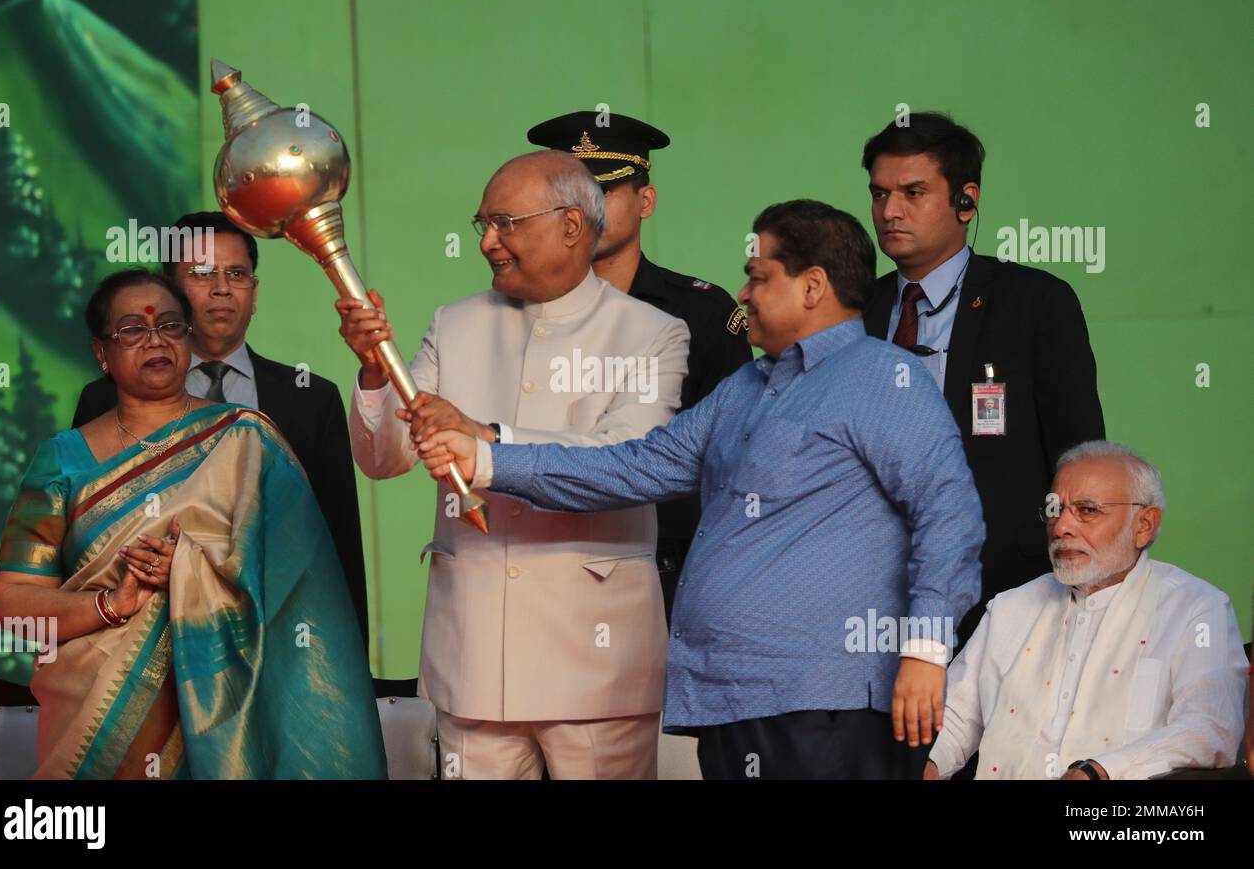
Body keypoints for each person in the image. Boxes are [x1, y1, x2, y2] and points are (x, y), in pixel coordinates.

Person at [417, 199, 983, 779]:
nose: (744, 295)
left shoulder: (882, 377)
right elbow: (635, 467)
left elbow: (950, 517)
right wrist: (488, 458)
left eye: (759, 278)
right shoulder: (745, 387)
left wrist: (925, 650)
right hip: (733, 702)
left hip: (828, 701)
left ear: (813, 287)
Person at [336, 151, 689, 779]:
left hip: (595, 662)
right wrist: (372, 370)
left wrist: (487, 442)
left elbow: (630, 461)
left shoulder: (652, 333)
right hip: (474, 655)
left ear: (572, 227)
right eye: (483, 225)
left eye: (505, 223)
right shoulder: (456, 322)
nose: (488, 242)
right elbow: (384, 457)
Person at [0, 269, 386, 780]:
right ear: (101, 353)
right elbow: (15, 601)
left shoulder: (244, 440)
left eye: (171, 326)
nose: (155, 340)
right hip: (100, 716)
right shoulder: (62, 462)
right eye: (132, 330)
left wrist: (196, 571)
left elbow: (303, 589)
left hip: (232, 706)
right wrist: (112, 605)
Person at [860, 112, 1105, 647]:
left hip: (1009, 597)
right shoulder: (853, 309)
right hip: (871, 601)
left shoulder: (1034, 302)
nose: (890, 211)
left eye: (913, 192)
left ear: (965, 201)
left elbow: (1081, 457)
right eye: (879, 194)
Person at [71, 212, 369, 652]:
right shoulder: (105, 399)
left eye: (237, 274)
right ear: (167, 292)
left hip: (278, 644)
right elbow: (83, 546)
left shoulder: (310, 398)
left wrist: (348, 660)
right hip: (141, 646)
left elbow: (337, 547)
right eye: (202, 274)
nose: (221, 288)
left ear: (255, 292)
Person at [528, 112, 751, 617]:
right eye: (566, 198)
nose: (582, 213)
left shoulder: (702, 312)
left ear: (645, 201)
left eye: (601, 193)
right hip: (539, 571)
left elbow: (733, 462)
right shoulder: (517, 313)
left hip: (669, 577)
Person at [925, 441, 1248, 780]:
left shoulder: (1195, 608)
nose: (1061, 527)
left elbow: (1209, 728)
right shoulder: (1010, 607)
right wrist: (925, 764)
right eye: (1055, 509)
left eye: (1087, 510)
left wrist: (1100, 772)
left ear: (1144, 525)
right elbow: (954, 719)